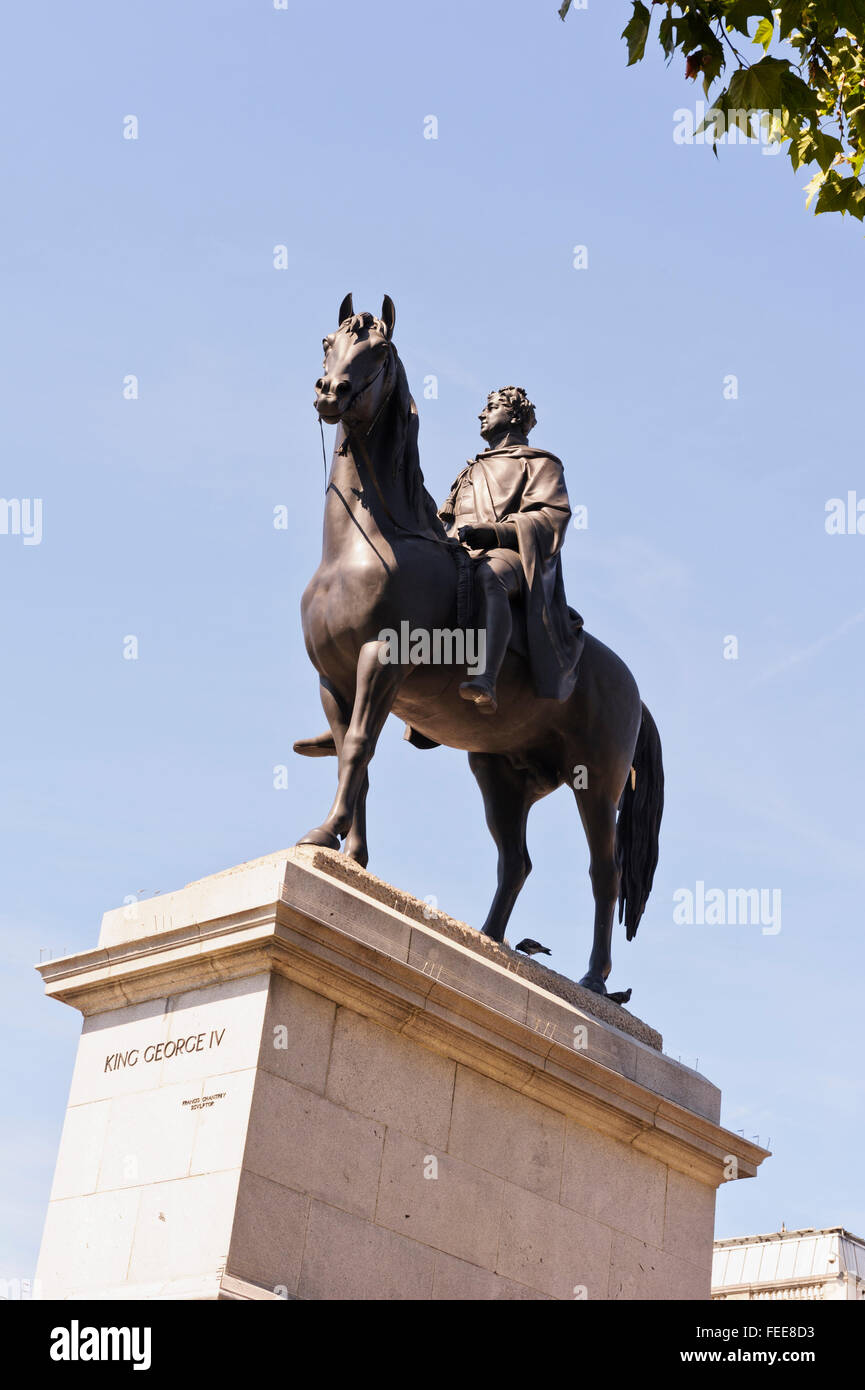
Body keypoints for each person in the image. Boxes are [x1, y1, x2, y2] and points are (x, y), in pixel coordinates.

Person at [438, 386, 583, 714]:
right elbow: (445, 522)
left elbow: (550, 519)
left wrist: (494, 533)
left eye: (491, 407)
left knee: (492, 577)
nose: (481, 413)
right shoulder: (470, 471)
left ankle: (486, 679)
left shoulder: (542, 464)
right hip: (459, 554)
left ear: (515, 416)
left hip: (509, 557)